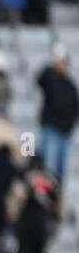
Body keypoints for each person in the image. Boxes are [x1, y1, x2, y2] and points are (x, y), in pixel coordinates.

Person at [37, 43, 78, 185]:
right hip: (52, 130)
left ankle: (56, 202)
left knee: (61, 172)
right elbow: (40, 79)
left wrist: (70, 125)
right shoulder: (49, 77)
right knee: (48, 168)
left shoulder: (70, 86)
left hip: (65, 133)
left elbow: (75, 108)